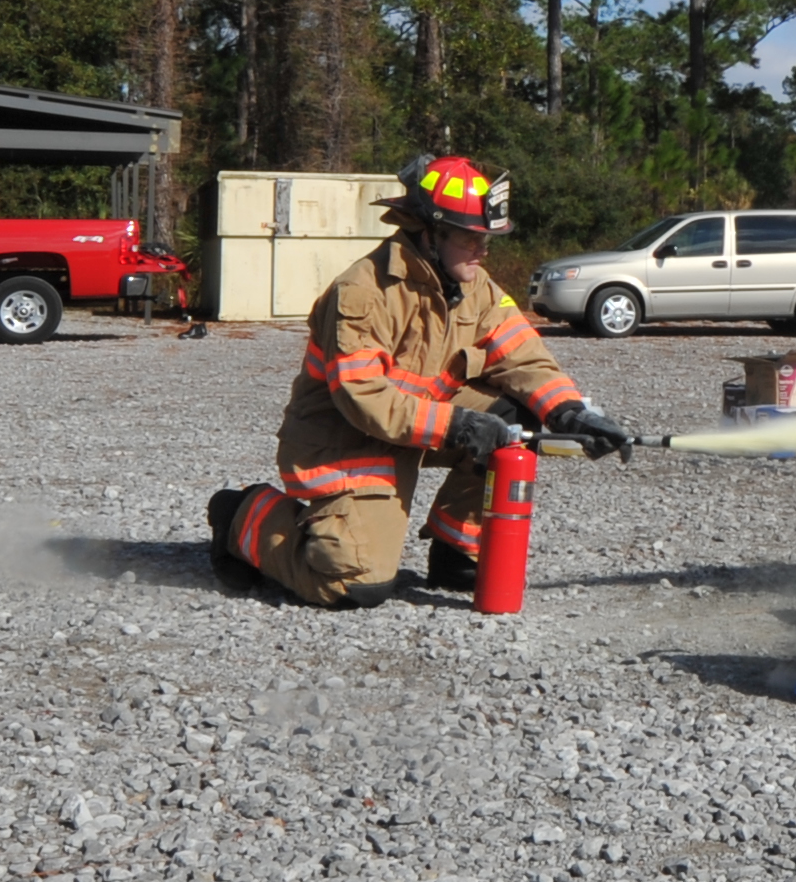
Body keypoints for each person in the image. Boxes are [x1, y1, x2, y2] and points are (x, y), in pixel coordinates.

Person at [210, 152, 634, 606]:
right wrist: (459, 425)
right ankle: (242, 515)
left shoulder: (477, 288)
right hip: (348, 440)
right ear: (429, 233)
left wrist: (572, 413)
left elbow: (525, 359)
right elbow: (363, 398)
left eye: (487, 237)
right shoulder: (364, 291)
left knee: (523, 414)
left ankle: (457, 551)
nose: (484, 248)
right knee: (352, 583)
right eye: (472, 238)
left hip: (417, 427)